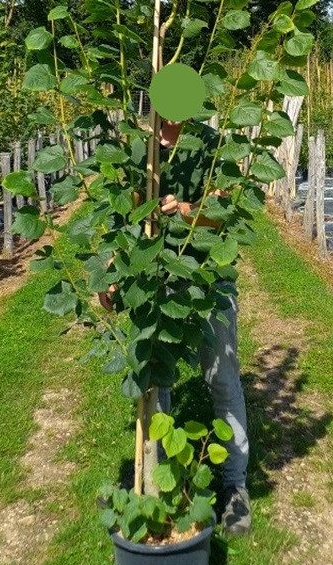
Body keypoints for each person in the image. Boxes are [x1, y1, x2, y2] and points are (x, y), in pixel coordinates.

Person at [101, 113, 252, 537]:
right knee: (157, 379)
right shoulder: (140, 148)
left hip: (208, 280)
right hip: (155, 279)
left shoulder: (211, 144)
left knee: (222, 379)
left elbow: (223, 213)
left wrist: (188, 212)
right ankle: (157, 480)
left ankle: (234, 487)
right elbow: (127, 217)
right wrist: (112, 270)